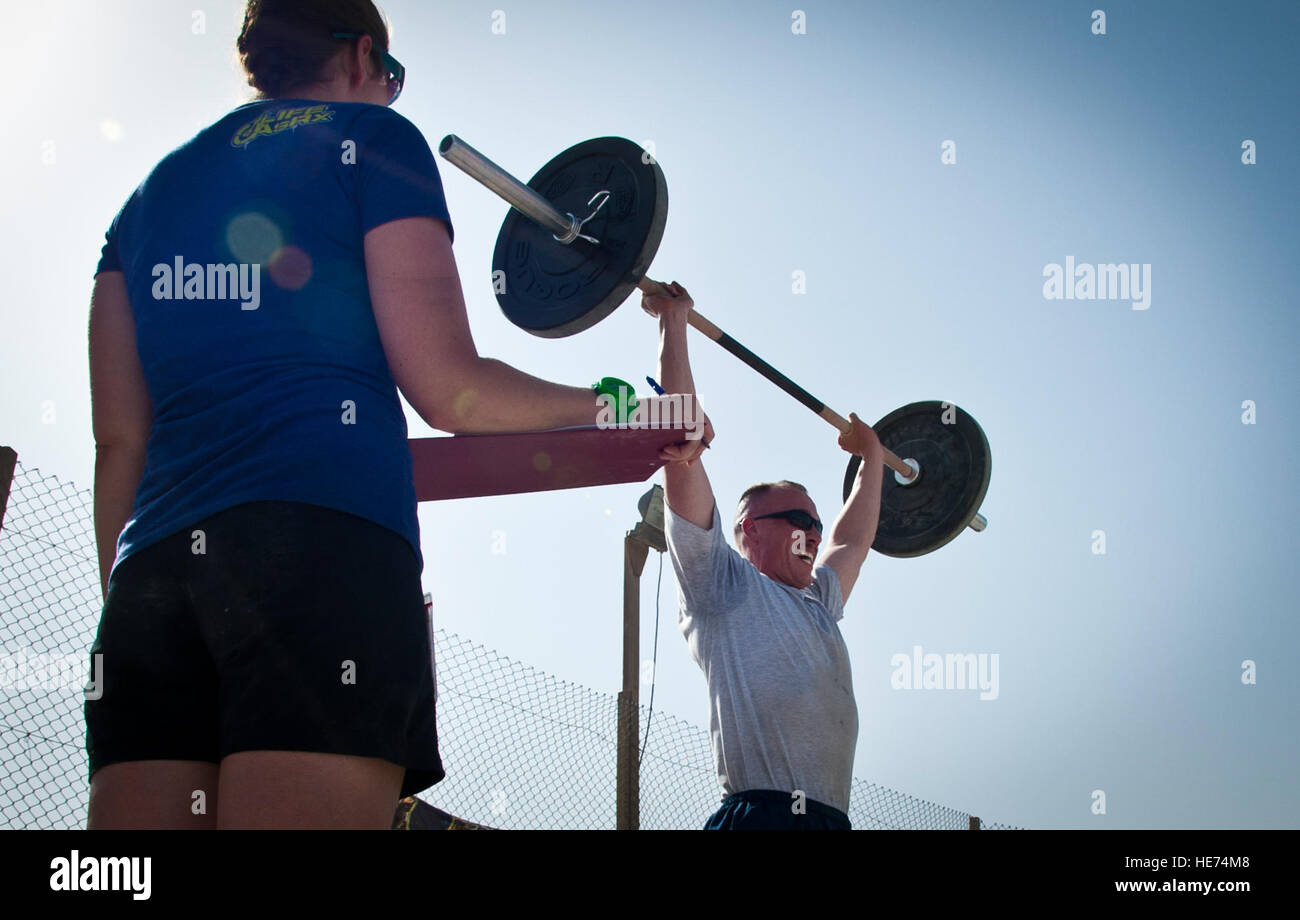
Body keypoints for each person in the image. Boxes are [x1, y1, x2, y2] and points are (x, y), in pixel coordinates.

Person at [85, 0, 702, 830]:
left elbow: (120, 442)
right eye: (393, 78)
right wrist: (620, 406)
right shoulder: (372, 140)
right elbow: (453, 392)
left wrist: (134, 611)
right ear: (361, 56)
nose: (391, 96)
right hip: (318, 553)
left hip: (149, 584)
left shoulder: (139, 205)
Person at [641, 281, 884, 830]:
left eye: (816, 525)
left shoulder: (819, 601)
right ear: (750, 530)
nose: (815, 535)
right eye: (799, 521)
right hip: (761, 818)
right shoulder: (722, 585)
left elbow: (854, 541)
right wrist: (672, 321)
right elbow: (680, 441)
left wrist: (872, 458)